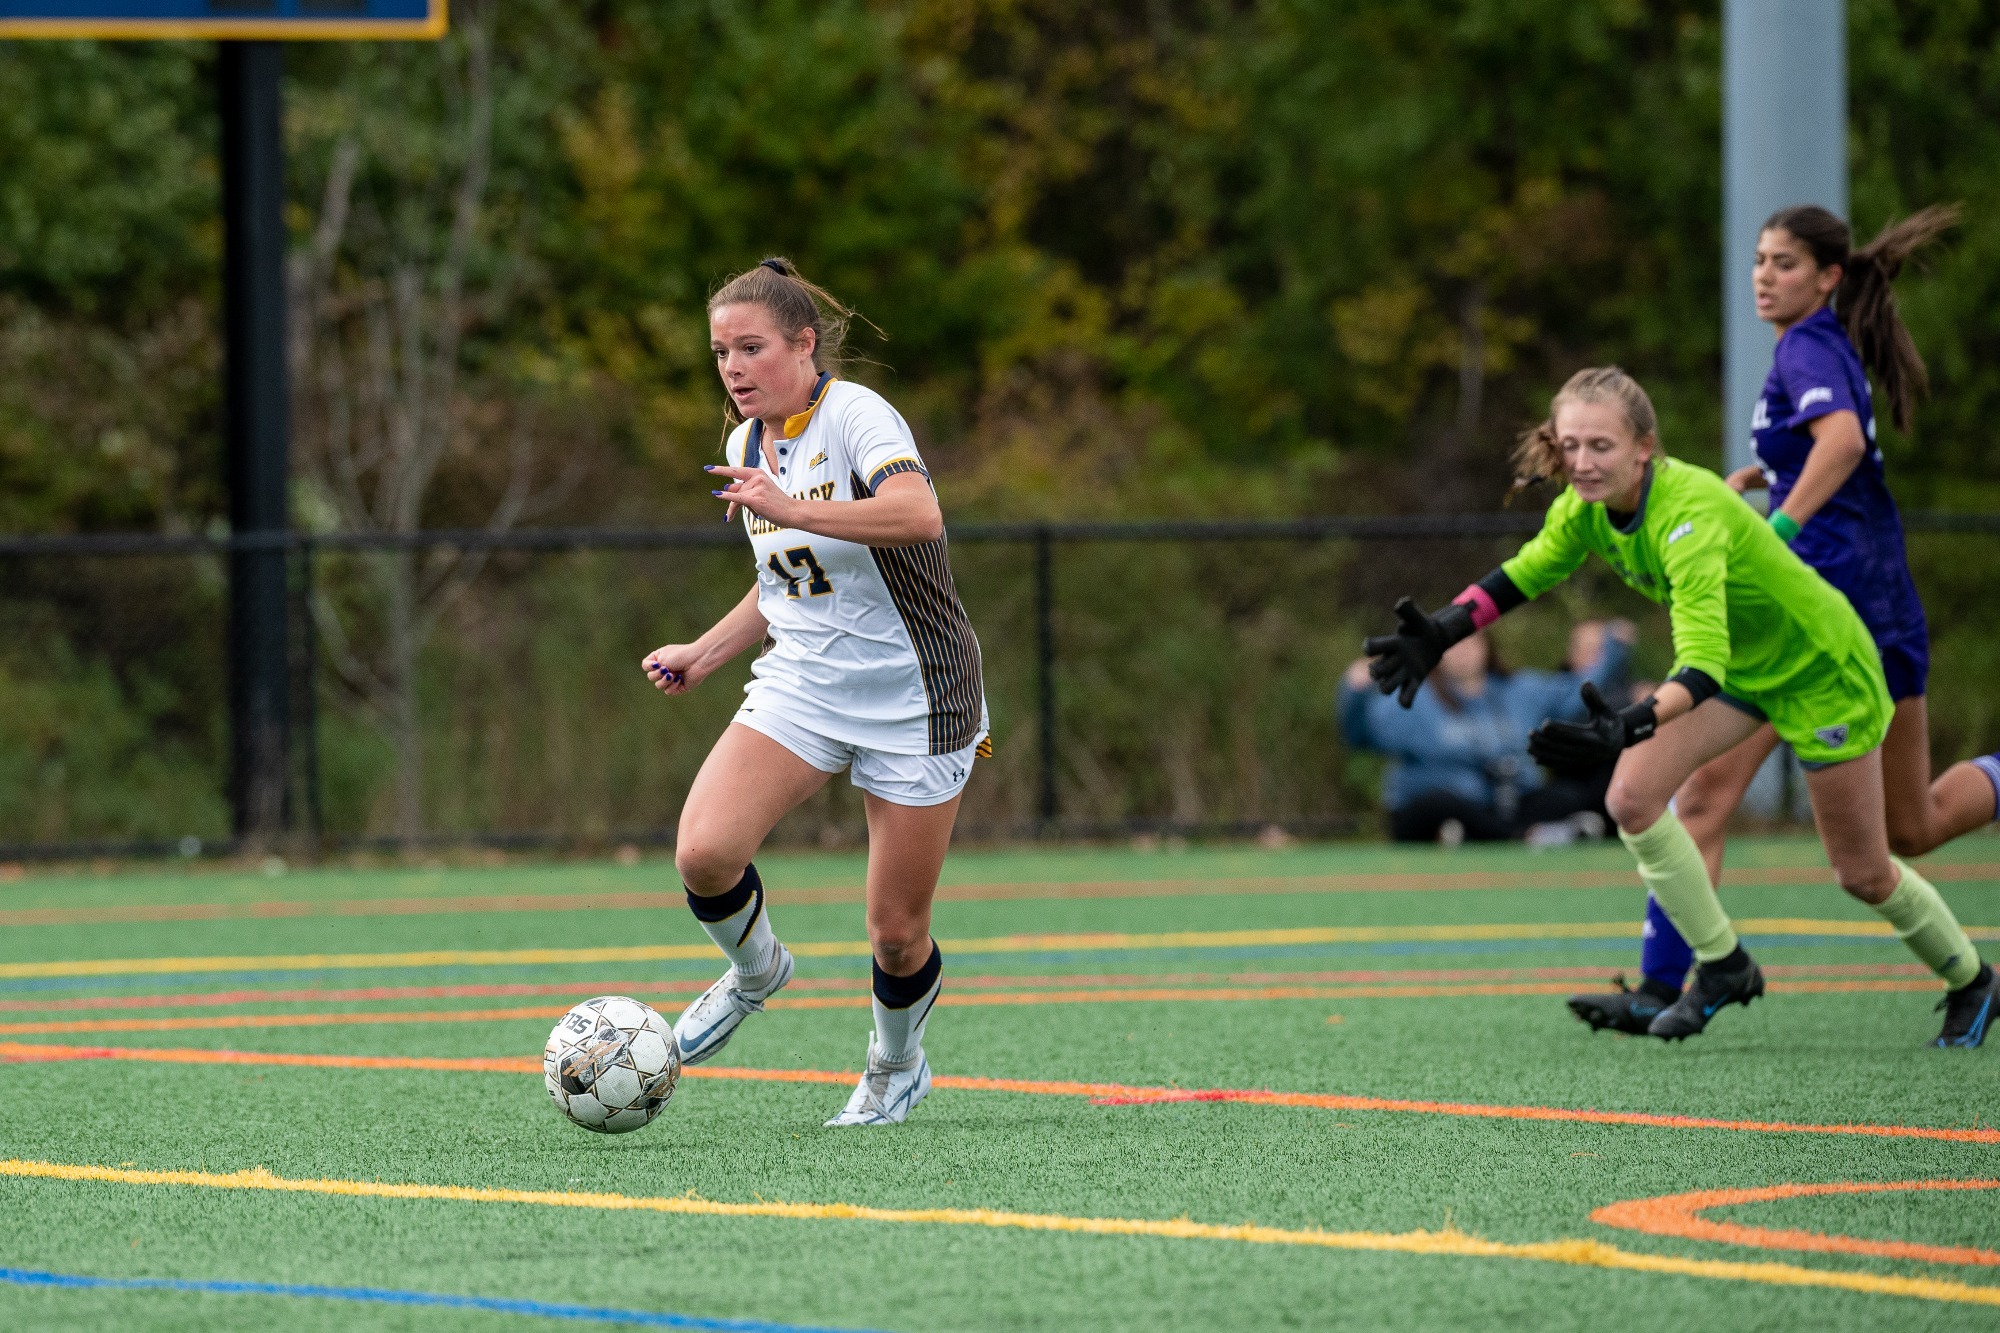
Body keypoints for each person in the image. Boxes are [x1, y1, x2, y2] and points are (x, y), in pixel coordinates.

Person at [1361, 366, 1995, 1047]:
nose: (1581, 461)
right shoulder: (1583, 506)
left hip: (1822, 670)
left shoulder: (1688, 514)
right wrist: (1445, 629)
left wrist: (1626, 725)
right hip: (1748, 670)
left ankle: (1973, 979)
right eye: (1570, 445)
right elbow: (1527, 570)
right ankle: (1723, 963)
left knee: (1864, 871)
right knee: (1632, 797)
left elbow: (1700, 666)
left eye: (1599, 446)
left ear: (1644, 447)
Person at [1570, 205, 2000, 1037]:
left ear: (1829, 278)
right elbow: (1826, 451)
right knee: (1699, 793)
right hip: (1803, 620)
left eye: (1786, 263)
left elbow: (1839, 443)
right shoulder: (1809, 347)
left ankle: (1969, 976)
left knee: (1904, 834)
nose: (1765, 275)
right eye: (1760, 260)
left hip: (1856, 618)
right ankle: (1664, 983)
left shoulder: (1807, 347)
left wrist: (1782, 526)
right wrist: (1764, 479)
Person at [642, 257, 989, 1125]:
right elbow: (785, 579)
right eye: (721, 351)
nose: (732, 367)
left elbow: (919, 515)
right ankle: (759, 969)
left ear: (804, 344)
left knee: (895, 933)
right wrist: (706, 651)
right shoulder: (744, 443)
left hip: (918, 693)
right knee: (703, 853)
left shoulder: (856, 416)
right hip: (804, 684)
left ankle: (894, 1065)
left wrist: (792, 506)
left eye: (751, 347)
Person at [1338, 621, 1633, 844]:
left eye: (1471, 642)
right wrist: (1355, 692)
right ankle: (1526, 836)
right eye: (1454, 644)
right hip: (1443, 805)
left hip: (1505, 805)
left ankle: (1491, 833)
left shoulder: (1519, 690)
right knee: (1437, 806)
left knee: (1567, 796)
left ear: (1487, 646)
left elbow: (1578, 691)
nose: (1463, 651)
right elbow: (1359, 736)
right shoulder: (1413, 698)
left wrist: (1614, 648)